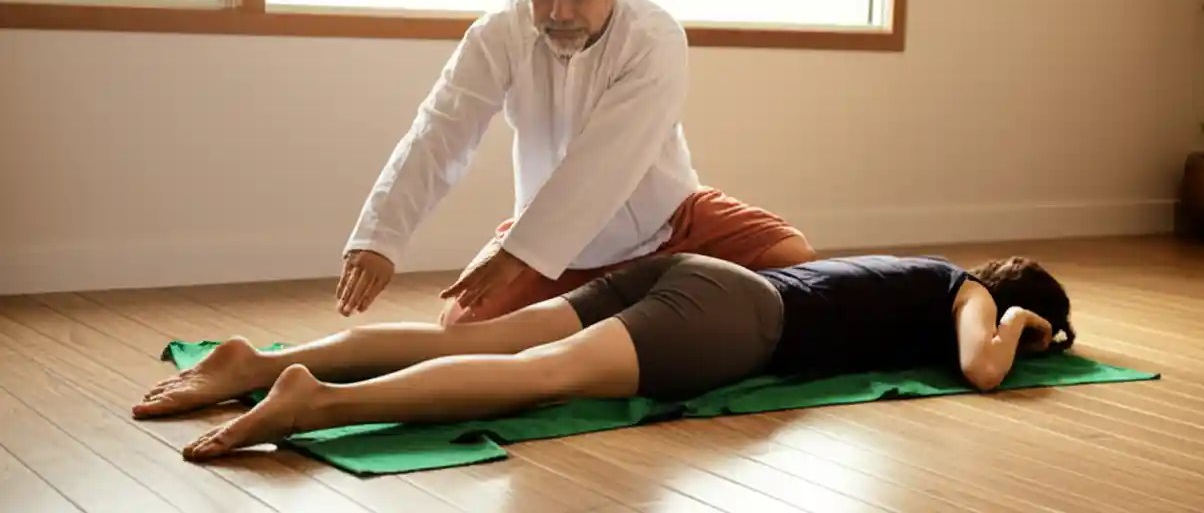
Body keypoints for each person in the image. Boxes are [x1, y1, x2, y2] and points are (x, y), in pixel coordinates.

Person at [335, 0, 816, 326]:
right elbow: (439, 131)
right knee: (462, 326)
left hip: (669, 221)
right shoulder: (499, 34)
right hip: (549, 243)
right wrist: (380, 237)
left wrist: (513, 256)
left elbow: (604, 164)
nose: (558, 12)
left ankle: (644, 306)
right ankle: (628, 310)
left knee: (799, 266)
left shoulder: (655, 38)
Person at [133, 252, 1075, 462]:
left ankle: (258, 362)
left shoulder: (911, 266)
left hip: (699, 276)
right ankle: (313, 403)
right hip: (739, 321)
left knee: (498, 340)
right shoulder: (969, 293)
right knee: (540, 377)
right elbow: (984, 370)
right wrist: (1022, 328)